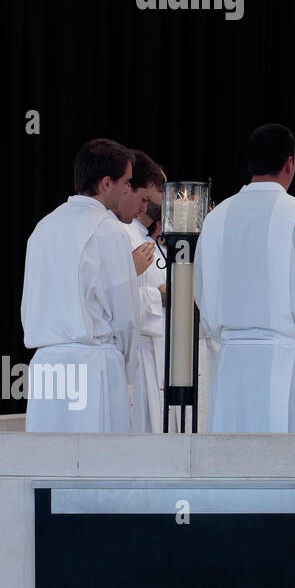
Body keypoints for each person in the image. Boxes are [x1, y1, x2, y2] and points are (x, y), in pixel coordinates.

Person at [195, 124, 295, 432]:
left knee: (233, 465)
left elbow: (202, 294)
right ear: (290, 162)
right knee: (289, 470)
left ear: (250, 164)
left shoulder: (215, 218)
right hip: (289, 365)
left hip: (231, 363)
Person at [22, 139, 139, 432]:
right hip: (92, 366)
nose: (128, 189)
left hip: (47, 365)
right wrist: (126, 371)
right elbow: (125, 316)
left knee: (48, 463)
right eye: (126, 182)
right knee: (95, 467)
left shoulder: (43, 227)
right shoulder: (108, 230)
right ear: (106, 183)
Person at [118, 150, 169, 432]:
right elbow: (113, 297)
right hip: (136, 351)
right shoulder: (121, 233)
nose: (163, 198)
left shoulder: (142, 236)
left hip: (155, 352)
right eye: (159, 189)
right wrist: (159, 297)